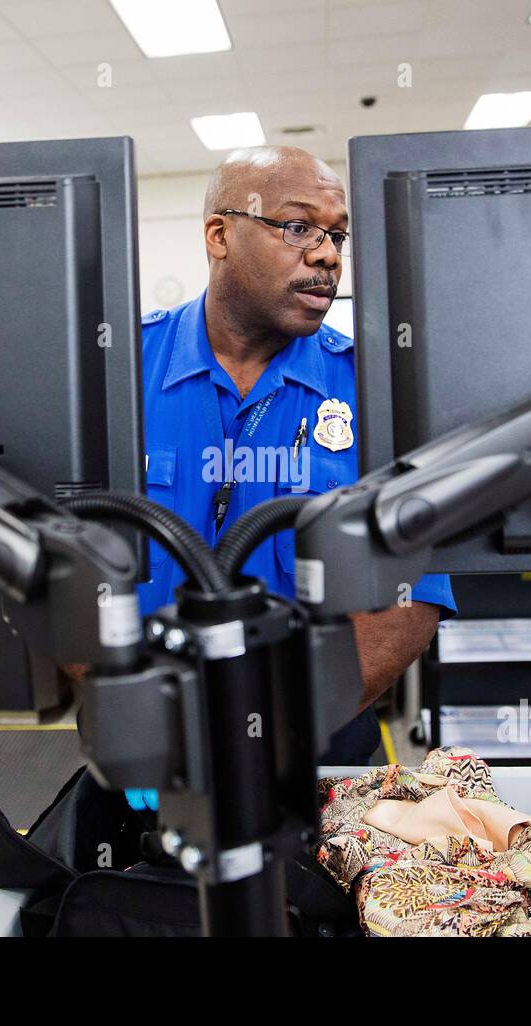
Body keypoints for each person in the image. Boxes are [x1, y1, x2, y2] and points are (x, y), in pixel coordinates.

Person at [136, 145, 456, 766]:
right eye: (298, 227)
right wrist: (127, 713)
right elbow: (66, 568)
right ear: (219, 234)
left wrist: (283, 725)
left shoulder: (374, 387)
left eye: (337, 235)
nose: (328, 255)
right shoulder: (118, 371)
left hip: (317, 734)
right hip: (149, 736)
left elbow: (410, 594)